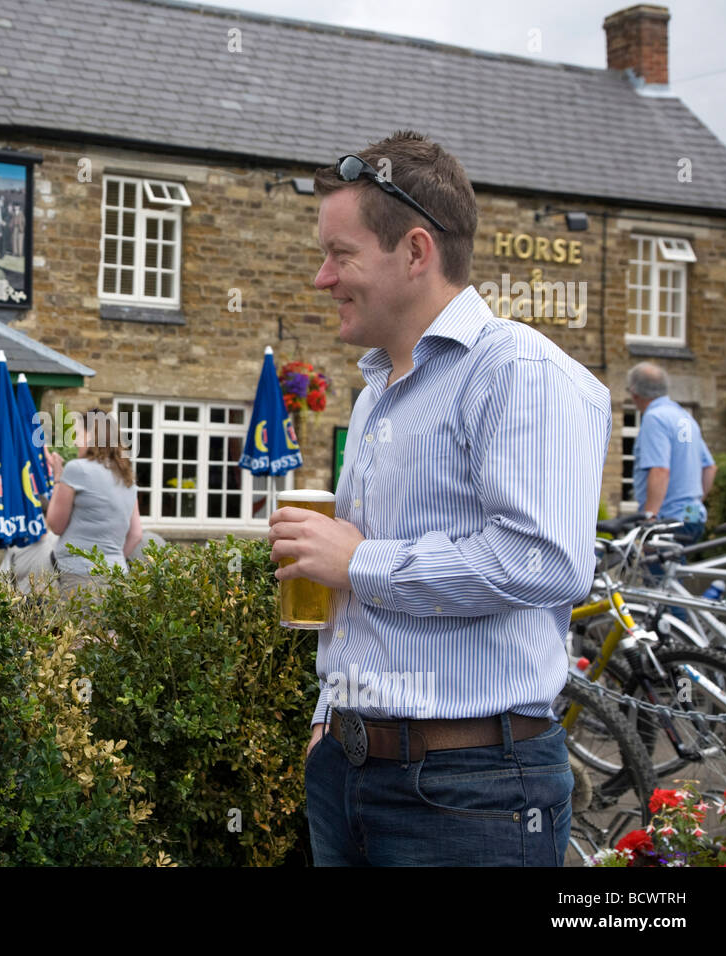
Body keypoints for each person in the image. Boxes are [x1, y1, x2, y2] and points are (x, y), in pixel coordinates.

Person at [268, 131, 611, 867]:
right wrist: (335, 718)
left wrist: (360, 561)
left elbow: (545, 560)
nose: (322, 278)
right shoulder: (376, 392)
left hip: (471, 793)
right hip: (353, 770)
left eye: (341, 254)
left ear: (416, 251)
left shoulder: (519, 372)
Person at [45, 409, 143, 597]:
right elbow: (136, 534)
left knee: (79, 627)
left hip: (80, 576)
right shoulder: (126, 477)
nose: (75, 441)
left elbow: (56, 525)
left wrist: (58, 477)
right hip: (117, 576)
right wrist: (112, 560)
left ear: (91, 436)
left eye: (78, 434)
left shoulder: (77, 469)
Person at [627, 362, 717, 543]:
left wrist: (649, 520)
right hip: (693, 517)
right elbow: (710, 468)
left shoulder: (655, 418)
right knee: (678, 570)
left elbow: (660, 470)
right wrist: (693, 502)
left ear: (635, 393)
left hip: (668, 520)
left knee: (657, 571)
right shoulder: (684, 417)